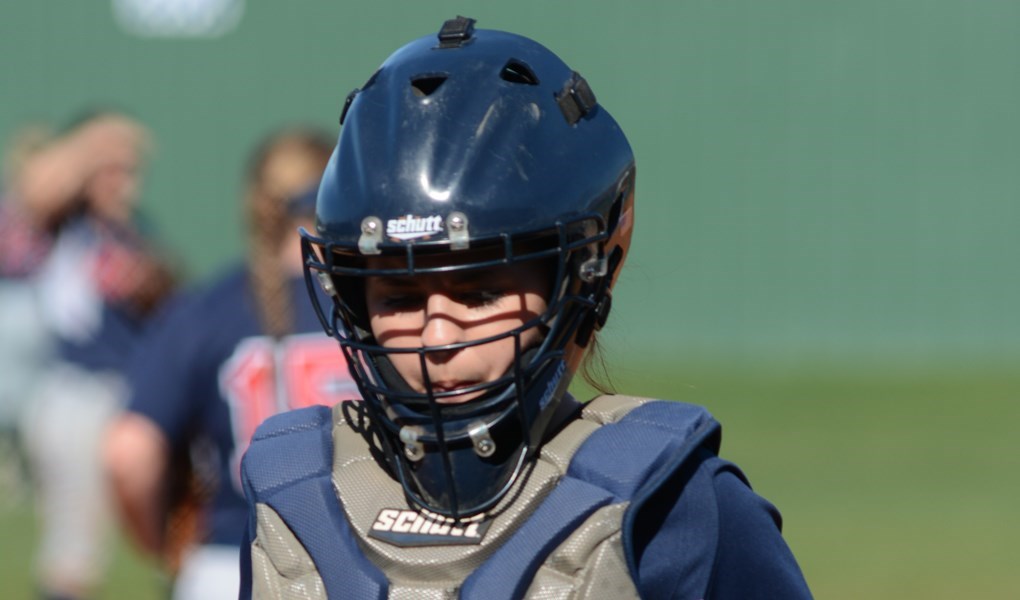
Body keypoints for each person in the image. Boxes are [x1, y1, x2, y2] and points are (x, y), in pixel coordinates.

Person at [239, 17, 813, 599]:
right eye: (400, 299)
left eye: (480, 293)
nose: (438, 336)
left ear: (580, 276)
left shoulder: (671, 500)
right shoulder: (295, 501)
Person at [103, 128, 360, 600]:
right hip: (363, 560)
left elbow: (128, 451)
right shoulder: (381, 302)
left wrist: (160, 546)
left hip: (232, 564)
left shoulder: (206, 310)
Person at [0, 111, 178, 600]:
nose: (122, 179)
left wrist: (150, 278)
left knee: (170, 535)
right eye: (112, 169)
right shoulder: (65, 222)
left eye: (128, 169)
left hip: (130, 389)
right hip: (75, 392)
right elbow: (36, 187)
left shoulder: (134, 229)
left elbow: (171, 290)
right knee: (73, 551)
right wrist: (96, 141)